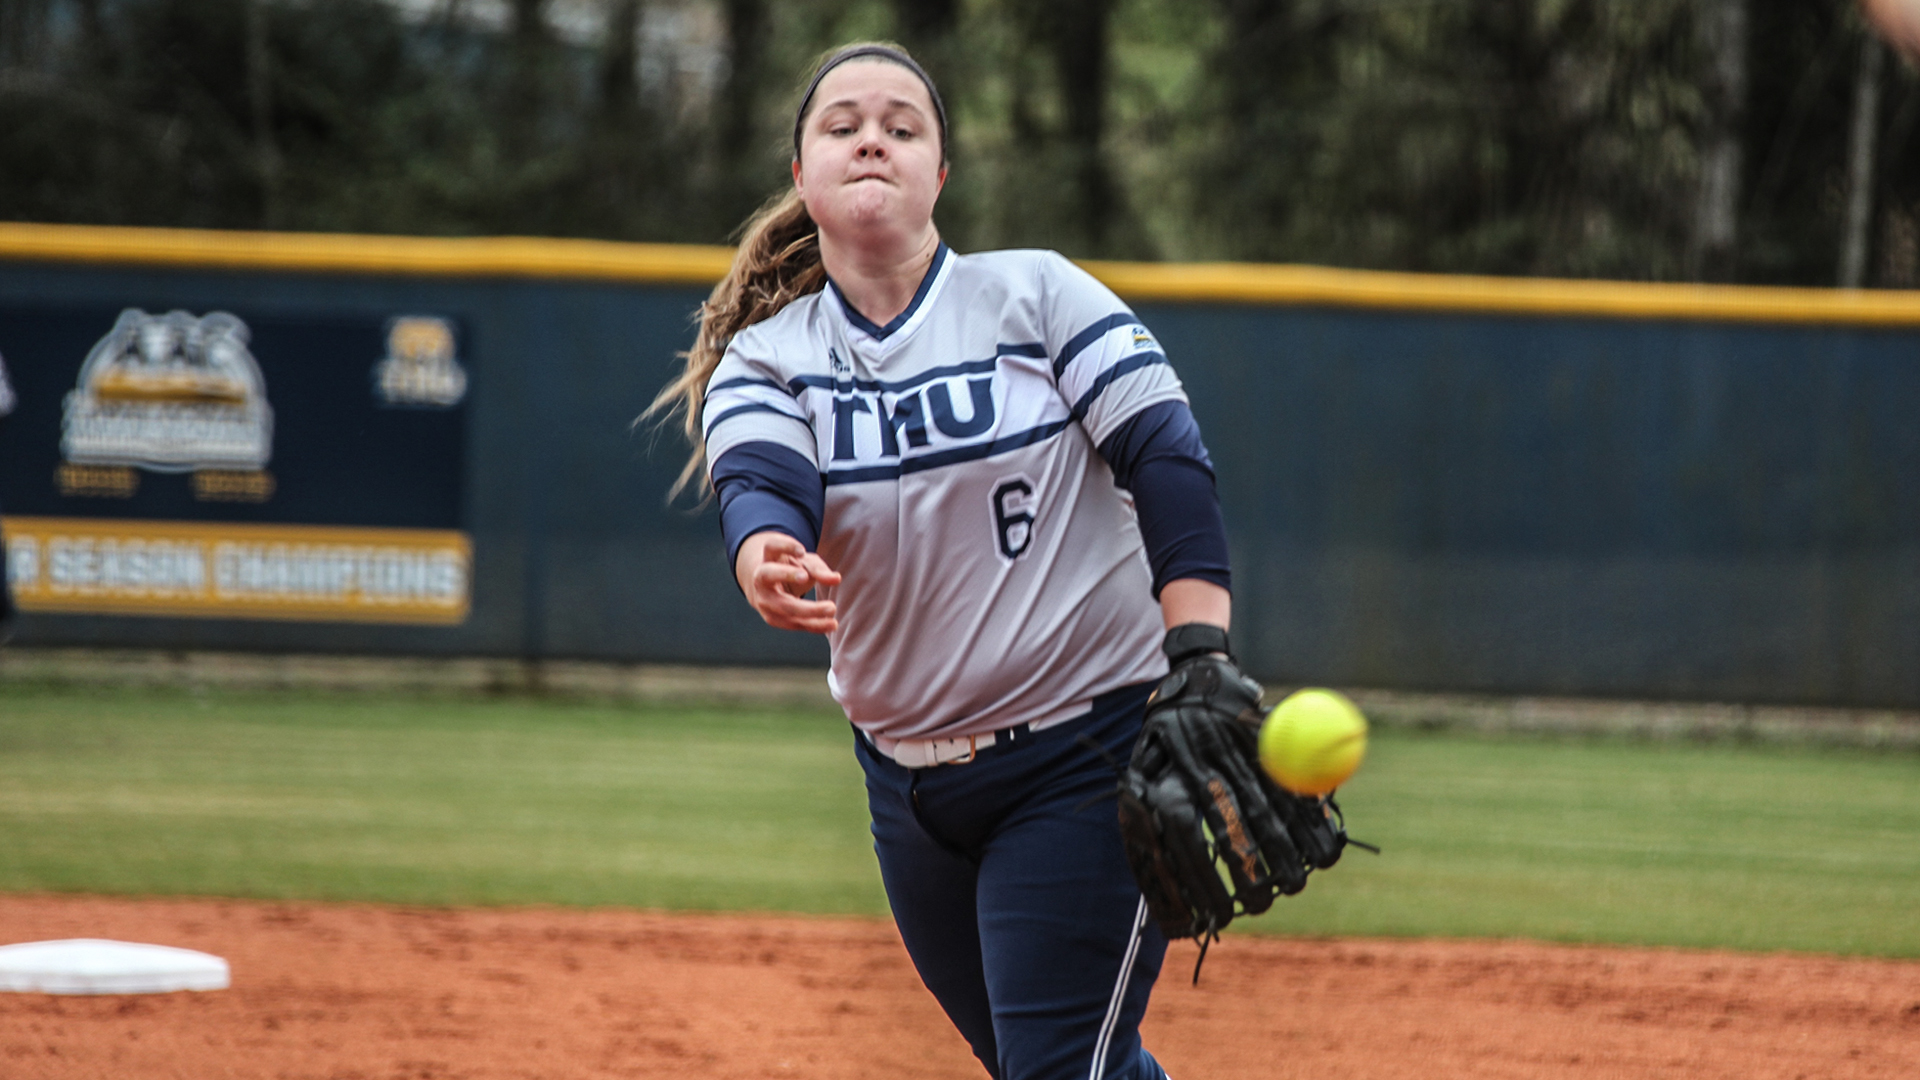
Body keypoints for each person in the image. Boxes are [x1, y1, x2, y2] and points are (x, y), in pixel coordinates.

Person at [651, 42, 1240, 1080]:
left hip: (1081, 752)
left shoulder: (1038, 298)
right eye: (841, 124)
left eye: (901, 124)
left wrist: (1197, 652)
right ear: (802, 176)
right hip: (907, 788)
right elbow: (760, 480)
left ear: (941, 174)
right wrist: (762, 554)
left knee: (1057, 1065)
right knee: (1051, 1065)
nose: (871, 135)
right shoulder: (771, 357)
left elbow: (1167, 456)